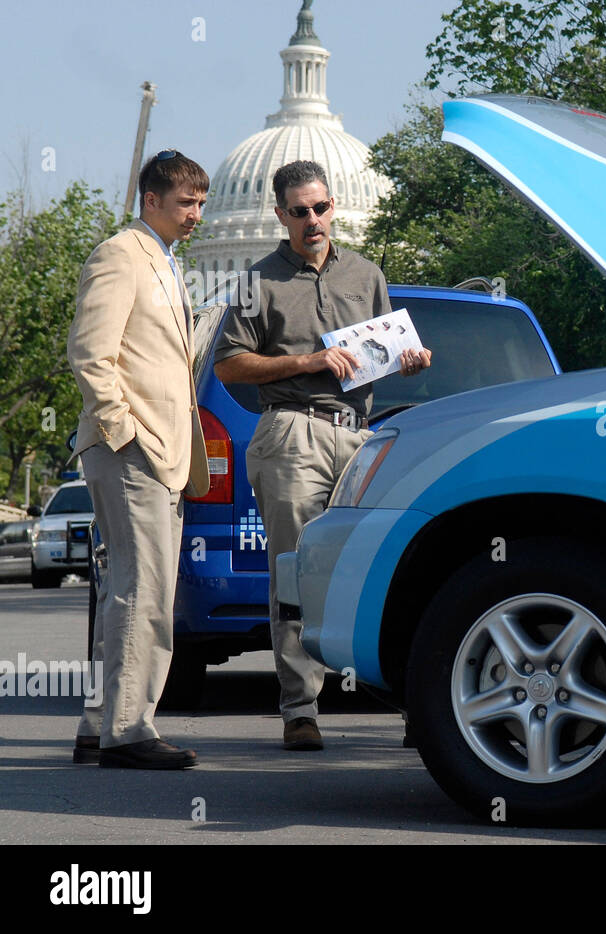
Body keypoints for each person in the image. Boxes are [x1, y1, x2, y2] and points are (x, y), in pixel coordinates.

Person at [213, 160, 430, 751]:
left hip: (361, 434)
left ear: (333, 207)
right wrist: (306, 361)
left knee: (381, 565)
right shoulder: (256, 282)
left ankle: (413, 705)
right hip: (292, 432)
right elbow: (229, 364)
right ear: (280, 215)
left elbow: (386, 350)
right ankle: (300, 710)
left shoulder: (365, 273)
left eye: (322, 208)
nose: (314, 220)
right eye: (300, 211)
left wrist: (409, 360)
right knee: (297, 571)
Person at [67, 150, 211, 769]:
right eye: (186, 202)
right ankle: (128, 730)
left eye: (202, 202)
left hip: (154, 451)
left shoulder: (163, 260)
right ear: (151, 200)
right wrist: (126, 433)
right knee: (144, 589)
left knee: (130, 586)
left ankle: (101, 724)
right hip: (134, 450)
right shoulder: (121, 254)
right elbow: (90, 353)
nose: (197, 214)